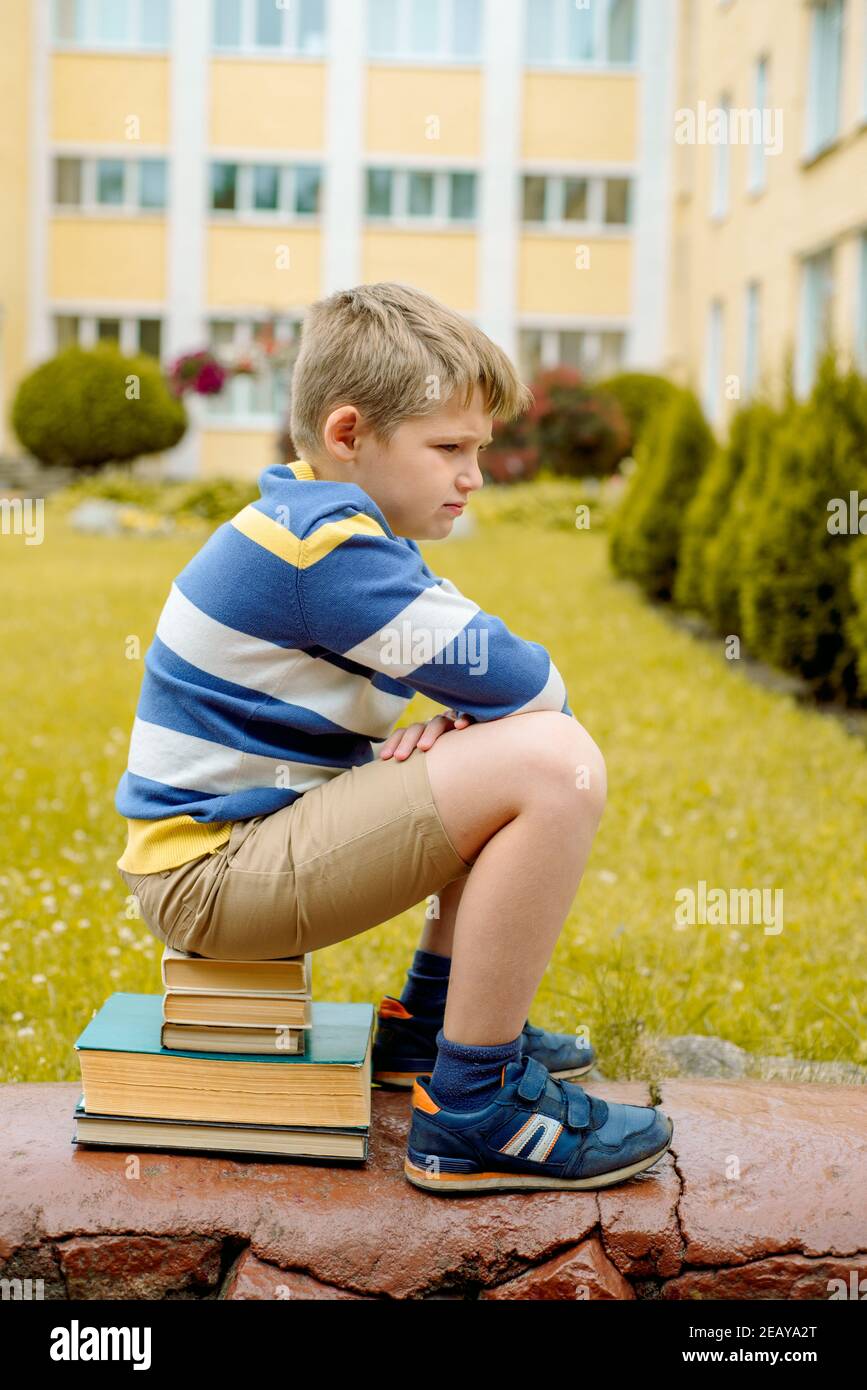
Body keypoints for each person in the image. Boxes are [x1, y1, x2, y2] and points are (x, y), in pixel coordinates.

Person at [115, 281, 673, 1194]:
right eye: (449, 448)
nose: (472, 477)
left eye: (479, 450)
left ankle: (433, 1025)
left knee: (502, 758)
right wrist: (478, 728)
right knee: (555, 768)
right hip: (211, 879)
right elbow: (533, 685)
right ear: (347, 435)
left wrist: (441, 740)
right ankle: (473, 1110)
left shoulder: (328, 527)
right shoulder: (325, 553)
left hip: (230, 854)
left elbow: (482, 681)